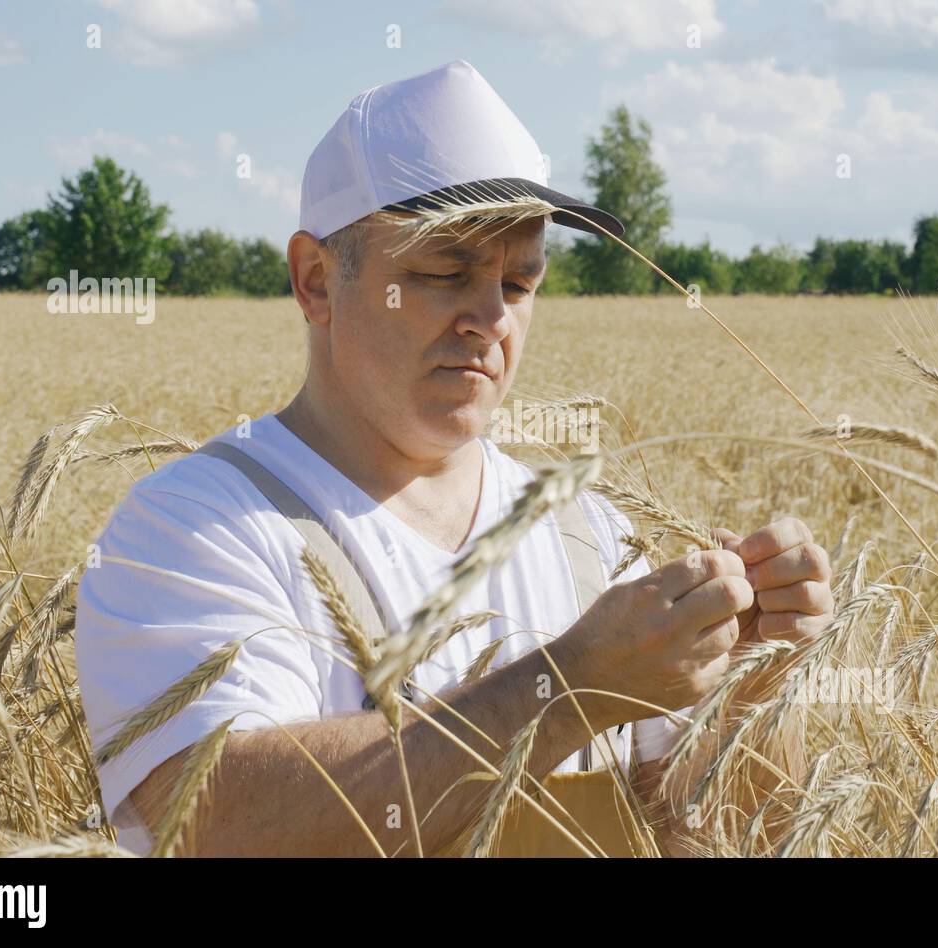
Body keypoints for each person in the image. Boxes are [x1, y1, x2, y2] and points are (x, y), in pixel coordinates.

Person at [74, 59, 834, 857]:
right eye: (443, 274)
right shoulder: (193, 529)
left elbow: (713, 833)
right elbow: (214, 822)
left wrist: (755, 680)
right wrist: (567, 687)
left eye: (519, 282)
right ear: (315, 281)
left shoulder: (591, 536)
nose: (489, 318)